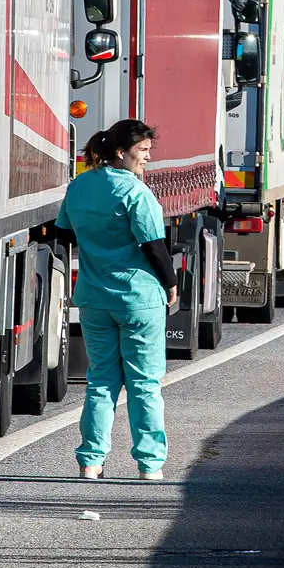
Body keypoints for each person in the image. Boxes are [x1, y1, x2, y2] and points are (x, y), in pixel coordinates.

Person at [57, 119, 176, 480]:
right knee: (144, 384)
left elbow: (63, 233)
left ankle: (91, 461)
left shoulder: (80, 185)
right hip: (138, 298)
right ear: (122, 152)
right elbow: (154, 246)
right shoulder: (136, 192)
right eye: (143, 151)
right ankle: (150, 464)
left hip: (94, 298)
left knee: (101, 381)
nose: (148, 158)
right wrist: (171, 284)